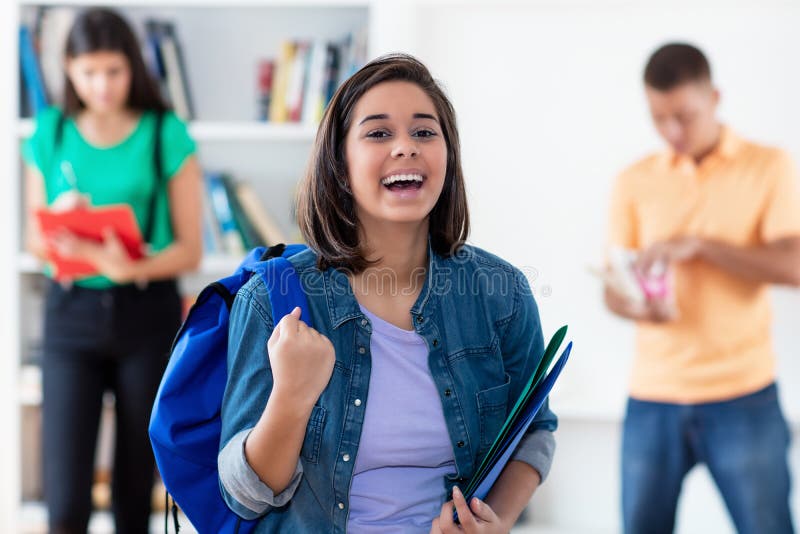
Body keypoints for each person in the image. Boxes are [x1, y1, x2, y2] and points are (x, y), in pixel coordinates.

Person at [217, 54, 557, 533]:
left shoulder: (500, 294)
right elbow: (245, 495)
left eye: (424, 132)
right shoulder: (273, 300)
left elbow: (534, 430)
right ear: (340, 162)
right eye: (378, 133)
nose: (406, 148)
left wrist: (494, 522)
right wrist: (291, 396)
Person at [604, 42, 799, 534]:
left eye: (684, 117)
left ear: (714, 97)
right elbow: (612, 288)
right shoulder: (633, 181)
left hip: (744, 395)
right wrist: (638, 308)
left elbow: (795, 266)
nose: (672, 132)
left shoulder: (769, 165)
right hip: (652, 396)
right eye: (658, 118)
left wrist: (702, 247)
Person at [22, 8, 202, 533]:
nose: (102, 85)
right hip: (70, 314)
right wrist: (66, 230)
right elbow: (33, 238)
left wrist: (127, 266)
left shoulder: (164, 132)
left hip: (146, 315)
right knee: (66, 497)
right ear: (69, 70)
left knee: (133, 489)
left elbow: (189, 250)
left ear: (134, 68)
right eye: (89, 71)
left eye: (114, 71)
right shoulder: (51, 132)